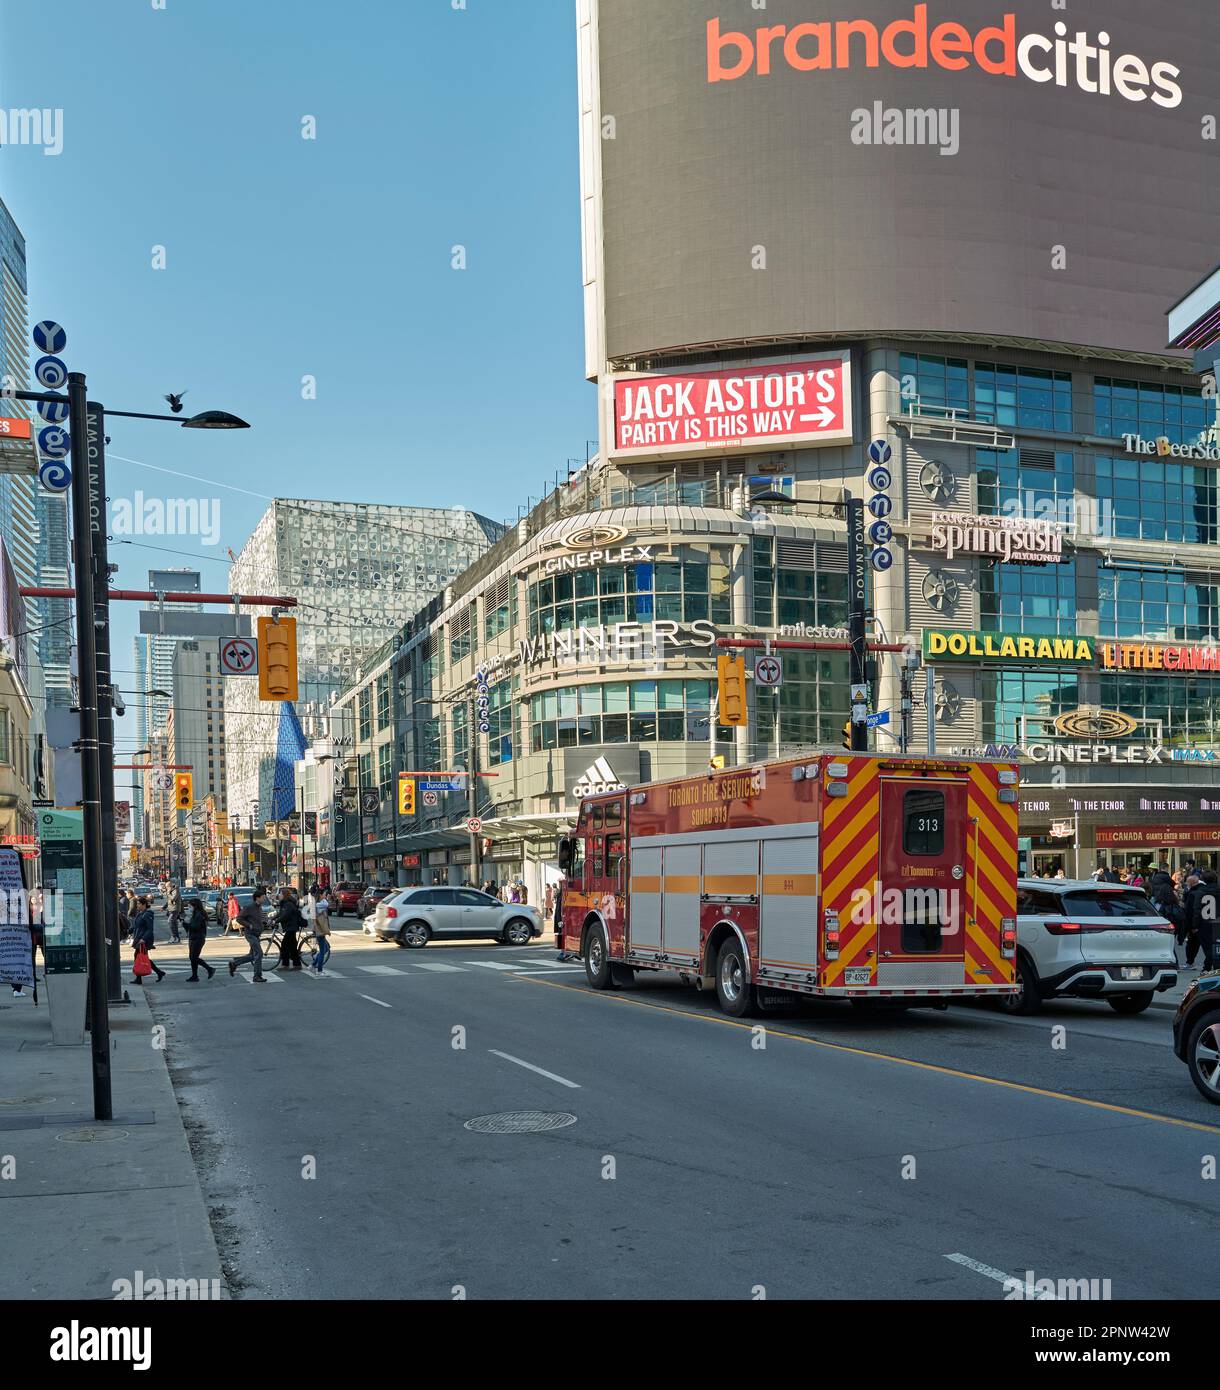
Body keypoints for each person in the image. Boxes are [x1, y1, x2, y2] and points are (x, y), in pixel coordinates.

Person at [228, 888, 268, 982]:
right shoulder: (249, 907)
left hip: (257, 934)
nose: (264, 899)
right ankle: (257, 976)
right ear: (257, 898)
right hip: (250, 934)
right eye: (263, 898)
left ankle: (234, 963)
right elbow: (239, 918)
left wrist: (266, 922)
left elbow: (259, 919)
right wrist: (249, 925)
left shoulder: (259, 907)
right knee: (259, 954)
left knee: (252, 955)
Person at [130, 898, 165, 982]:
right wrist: (129, 930)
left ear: (144, 904)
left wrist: (143, 939)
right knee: (142, 957)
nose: (137, 905)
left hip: (144, 940)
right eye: (137, 904)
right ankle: (159, 972)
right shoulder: (140, 914)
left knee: (138, 957)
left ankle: (139, 978)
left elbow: (150, 929)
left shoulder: (147, 914)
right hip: (138, 938)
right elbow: (136, 925)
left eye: (139, 904)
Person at [1192, 870, 1219, 973]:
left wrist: (1195, 925)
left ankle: (1207, 967)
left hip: (1205, 922)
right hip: (1218, 922)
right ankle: (1211, 966)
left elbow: (1197, 909)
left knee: (1207, 947)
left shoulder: (1201, 892)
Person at [184, 896, 214, 981]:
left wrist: (187, 923)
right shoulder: (195, 914)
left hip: (198, 938)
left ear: (195, 906)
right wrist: (185, 923)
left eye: (190, 906)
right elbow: (190, 928)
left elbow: (195, 927)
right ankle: (195, 975)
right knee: (192, 958)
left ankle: (209, 969)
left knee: (194, 957)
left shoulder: (199, 914)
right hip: (193, 937)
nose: (189, 908)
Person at [275, 889, 305, 971]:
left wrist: (276, 921)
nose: (279, 895)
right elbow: (281, 913)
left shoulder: (288, 904)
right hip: (290, 927)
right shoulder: (285, 903)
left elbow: (285, 915)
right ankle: (297, 964)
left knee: (284, 946)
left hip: (291, 927)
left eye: (281, 894)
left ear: (284, 895)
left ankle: (285, 965)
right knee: (292, 947)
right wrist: (273, 918)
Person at [1183, 871, 1205, 968]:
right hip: (1206, 921)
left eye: (1187, 883)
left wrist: (1192, 925)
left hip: (1195, 922)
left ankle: (1190, 962)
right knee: (1205, 944)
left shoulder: (1191, 893)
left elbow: (1191, 911)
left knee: (1192, 944)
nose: (1187, 885)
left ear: (1191, 883)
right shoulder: (1204, 890)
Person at [312, 891, 332, 974]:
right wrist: (325, 898)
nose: (325, 895)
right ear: (320, 895)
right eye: (324, 894)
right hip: (320, 930)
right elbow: (326, 904)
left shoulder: (317, 904)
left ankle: (312, 965)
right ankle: (319, 970)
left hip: (320, 929)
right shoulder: (319, 905)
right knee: (322, 951)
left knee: (326, 948)